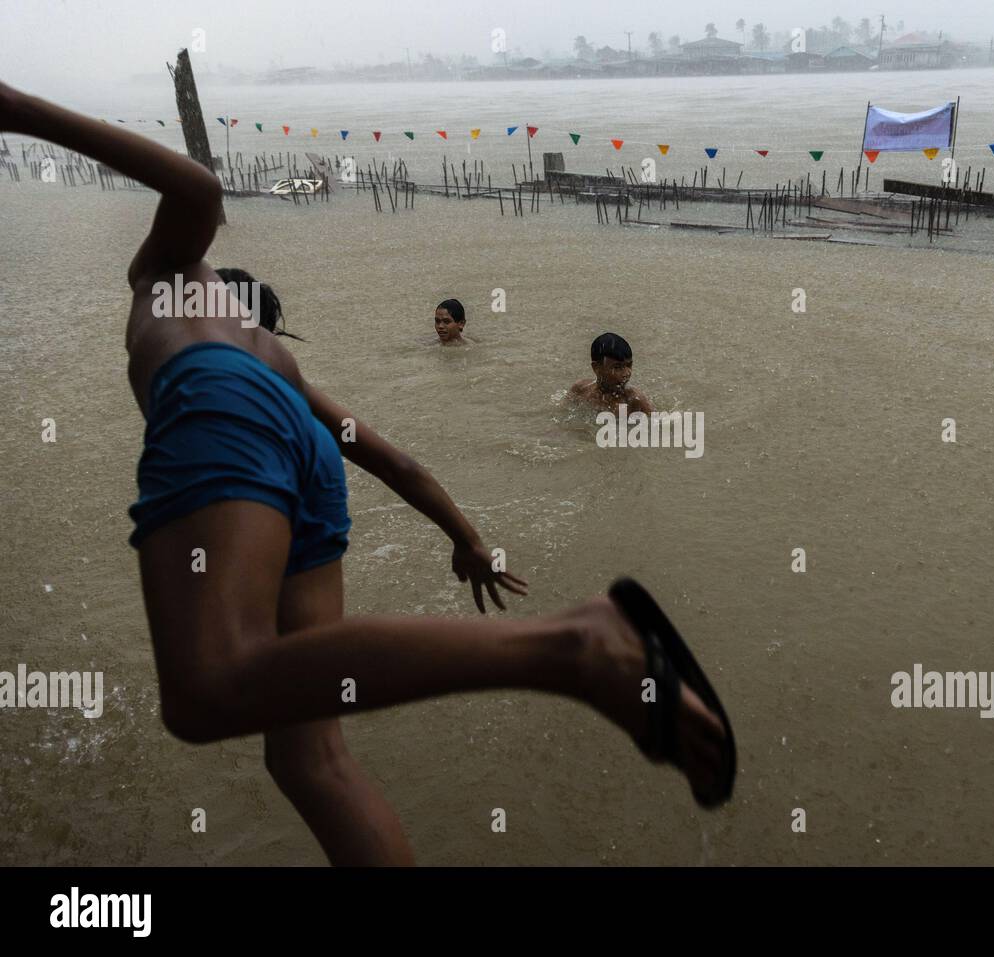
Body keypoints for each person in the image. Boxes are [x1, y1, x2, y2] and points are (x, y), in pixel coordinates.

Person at [1, 81, 734, 865]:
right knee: (308, 758)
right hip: (305, 450)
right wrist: (468, 540)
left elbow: (198, 184)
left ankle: (570, 649)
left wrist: (15, 108)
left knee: (204, 691)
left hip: (222, 413)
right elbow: (390, 456)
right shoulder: (276, 362)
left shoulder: (167, 276)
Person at [567, 332, 654, 415]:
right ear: (596, 368)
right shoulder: (580, 390)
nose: (626, 373)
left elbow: (655, 427)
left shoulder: (636, 402)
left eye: (629, 365)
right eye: (617, 367)